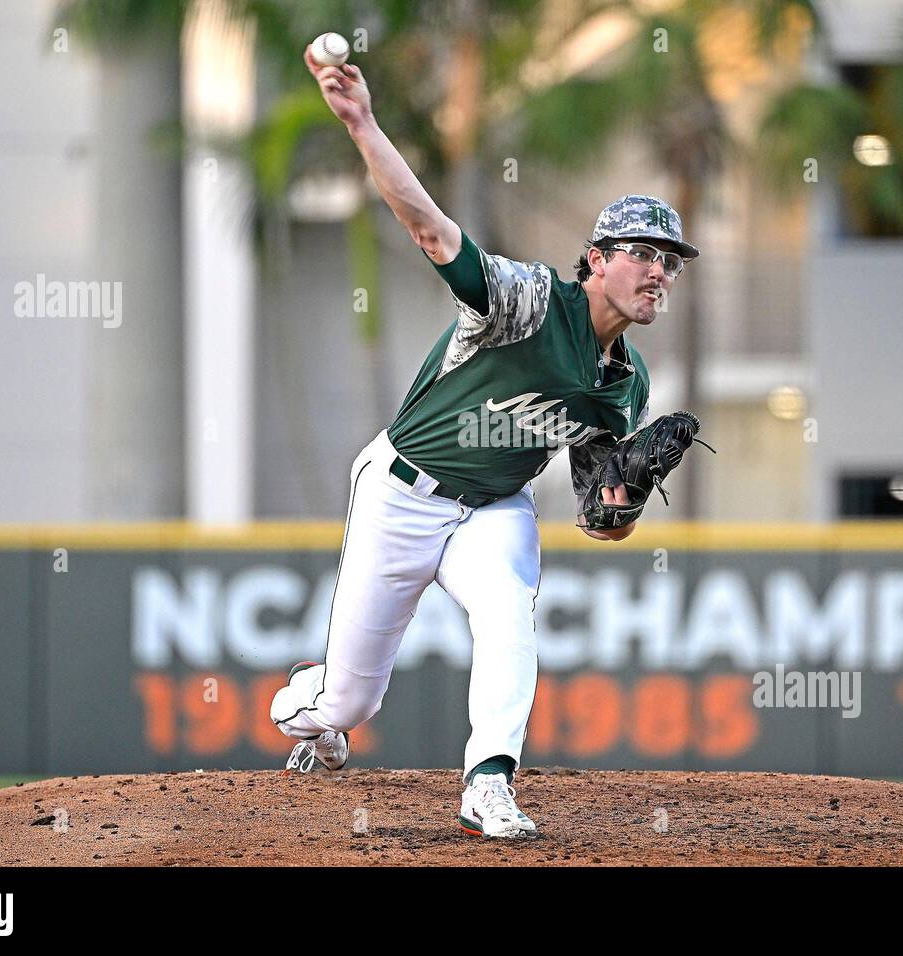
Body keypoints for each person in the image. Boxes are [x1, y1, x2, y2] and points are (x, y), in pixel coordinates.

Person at [270, 45, 699, 838]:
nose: (657, 272)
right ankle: (310, 703)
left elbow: (600, 516)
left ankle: (488, 784)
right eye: (641, 253)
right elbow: (432, 231)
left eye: (667, 261)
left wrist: (624, 496)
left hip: (493, 510)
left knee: (509, 611)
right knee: (350, 701)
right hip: (401, 492)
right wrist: (362, 123)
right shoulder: (530, 300)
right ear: (596, 260)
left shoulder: (626, 383)